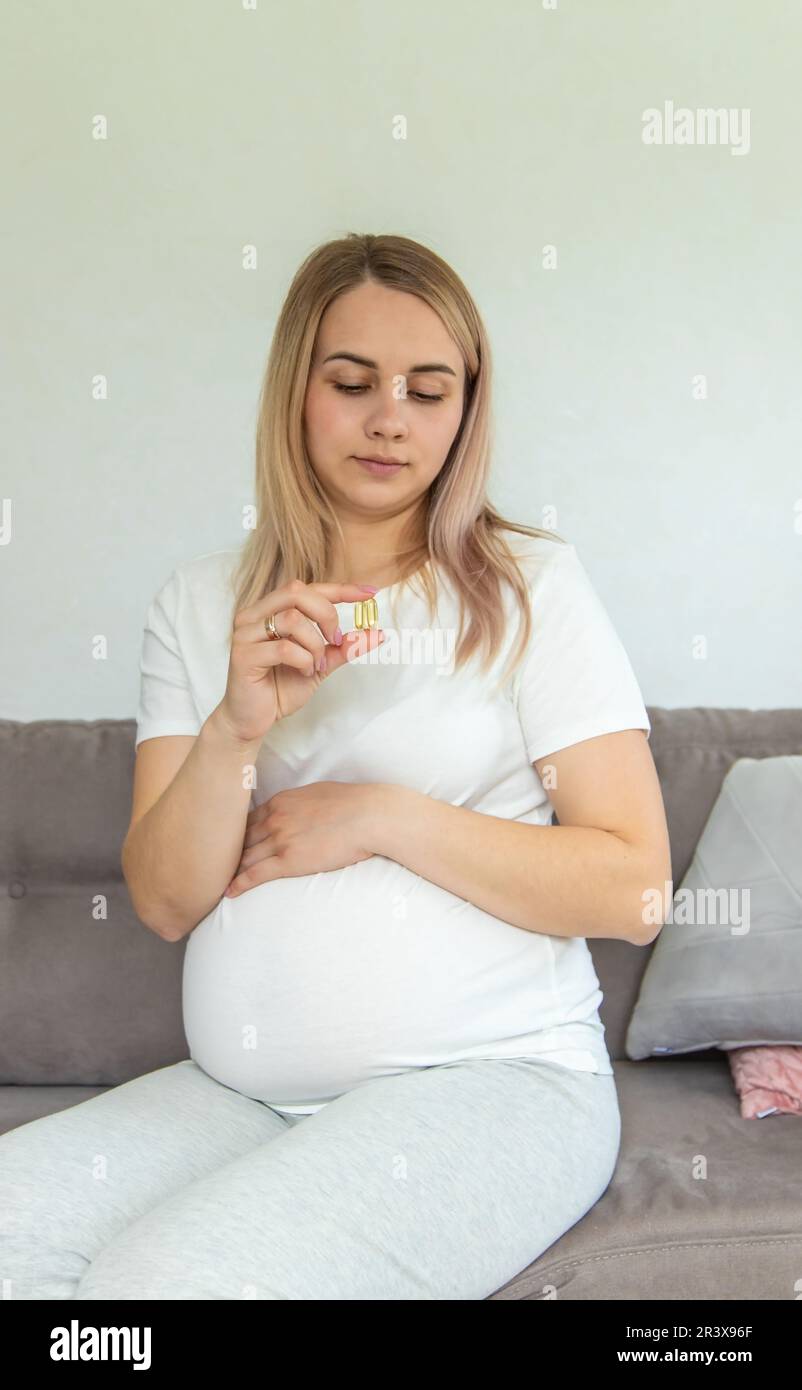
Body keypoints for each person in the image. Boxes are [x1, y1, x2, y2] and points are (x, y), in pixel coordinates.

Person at [0, 233, 671, 1301]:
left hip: (494, 1081)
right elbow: (169, 900)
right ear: (294, 392)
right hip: (243, 1093)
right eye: (351, 381)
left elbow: (634, 889)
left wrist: (382, 817)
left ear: (464, 412)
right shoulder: (199, 602)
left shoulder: (530, 586)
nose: (389, 418)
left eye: (428, 389)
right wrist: (234, 727)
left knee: (164, 1287)